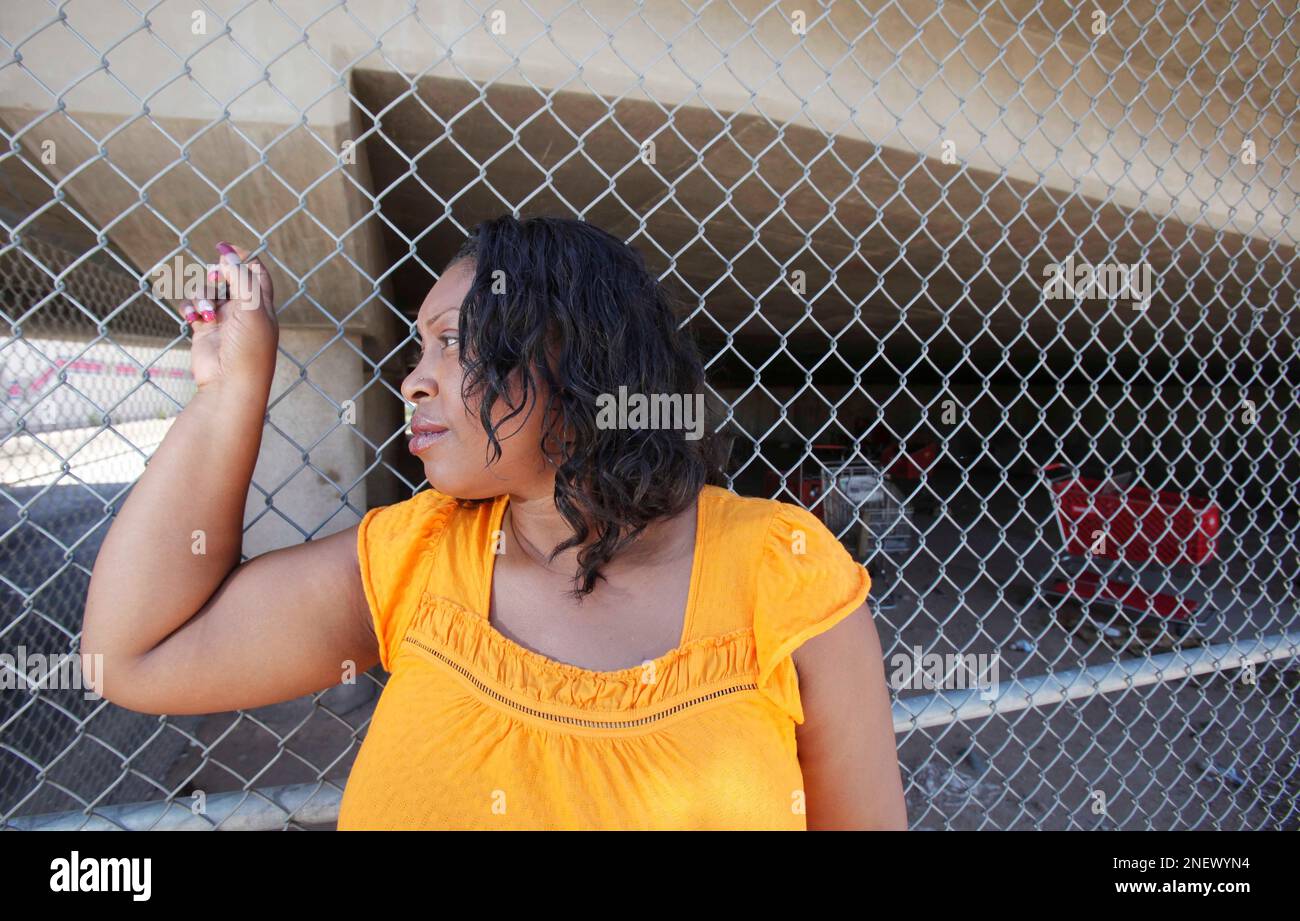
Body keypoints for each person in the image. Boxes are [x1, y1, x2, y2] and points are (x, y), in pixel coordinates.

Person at [81, 215, 907, 830]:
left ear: (579, 356)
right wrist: (229, 392)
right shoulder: (419, 553)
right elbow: (136, 655)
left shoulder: (783, 570)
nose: (414, 380)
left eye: (452, 343)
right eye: (416, 348)